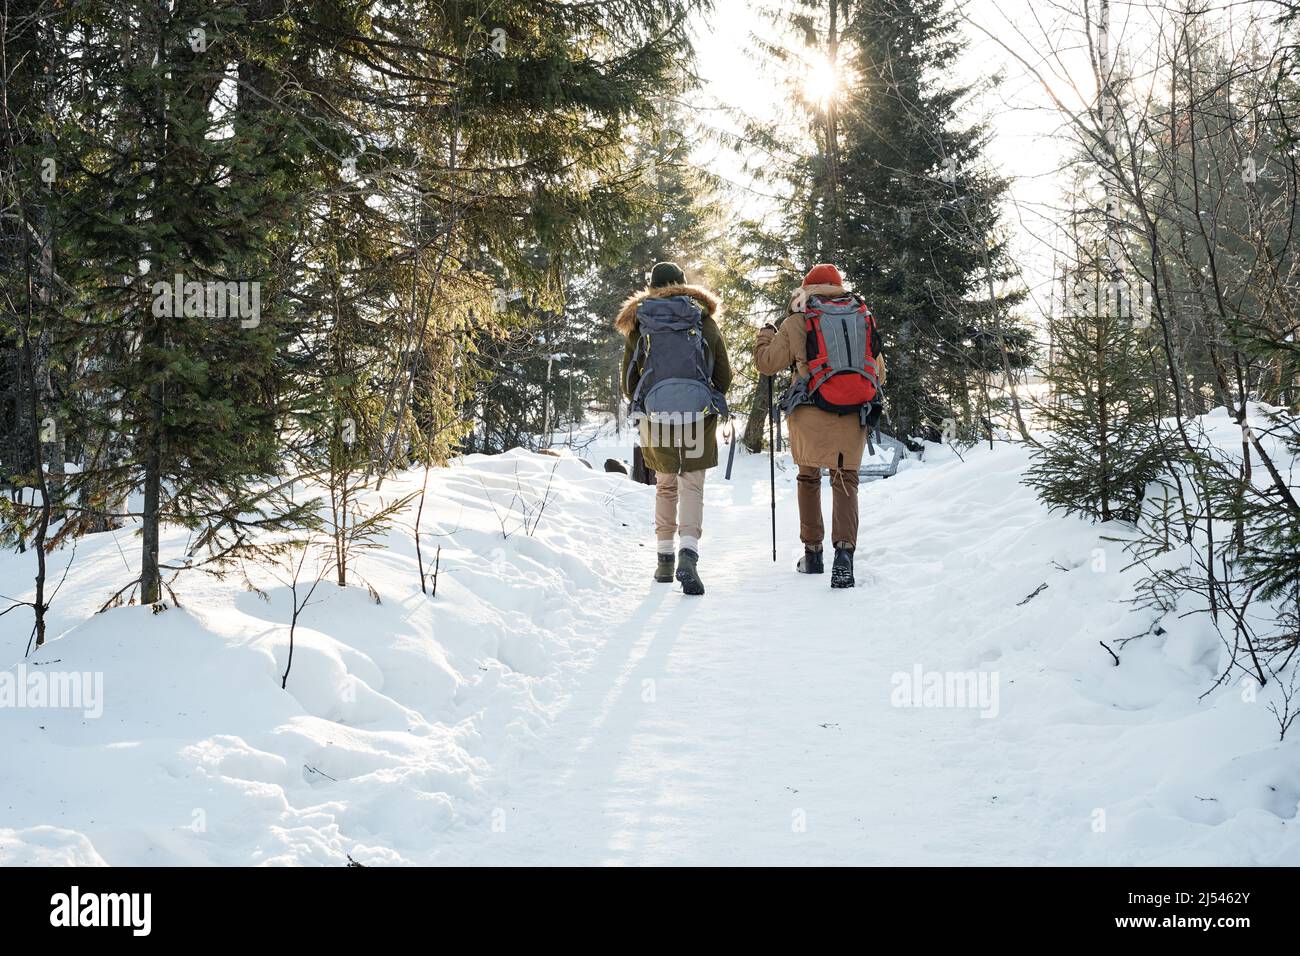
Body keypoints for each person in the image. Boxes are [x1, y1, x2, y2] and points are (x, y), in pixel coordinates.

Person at [753, 263, 885, 589]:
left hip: (811, 410)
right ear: (838, 286)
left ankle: (813, 555)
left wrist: (765, 335)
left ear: (806, 287)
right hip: (853, 412)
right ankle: (844, 556)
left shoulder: (798, 319)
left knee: (808, 477)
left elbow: (767, 363)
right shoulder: (861, 316)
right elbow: (879, 374)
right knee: (845, 480)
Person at [618, 262, 732, 595]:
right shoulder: (702, 318)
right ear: (682, 284)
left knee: (665, 485)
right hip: (696, 416)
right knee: (692, 485)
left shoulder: (641, 322)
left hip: (656, 418)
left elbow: (629, 380)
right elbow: (723, 375)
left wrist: (647, 400)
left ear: (651, 287)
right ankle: (689, 555)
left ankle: (664, 561)